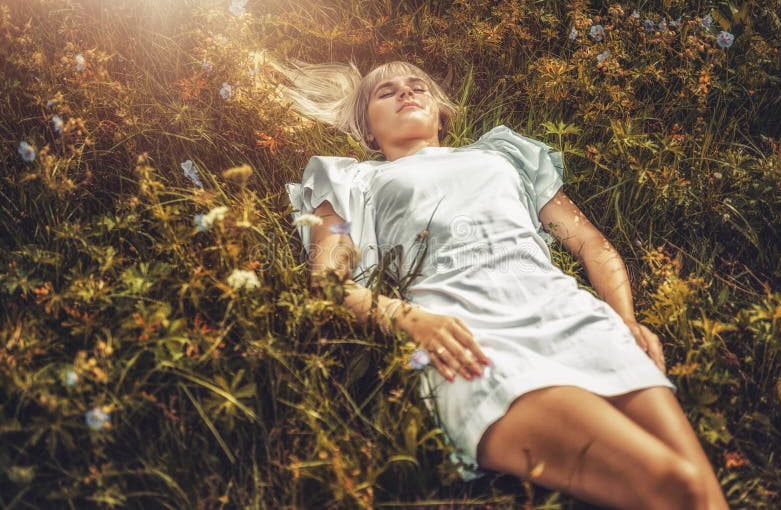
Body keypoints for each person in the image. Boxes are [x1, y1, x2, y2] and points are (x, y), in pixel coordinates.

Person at [280, 58, 729, 509]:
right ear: (367, 130)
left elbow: (591, 243)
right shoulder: (353, 180)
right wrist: (409, 319)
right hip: (470, 339)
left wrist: (624, 318)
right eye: (386, 92)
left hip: (569, 314)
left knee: (706, 494)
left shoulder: (502, 155)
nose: (407, 93)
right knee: (678, 487)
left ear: (442, 114)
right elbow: (330, 282)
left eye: (418, 86)